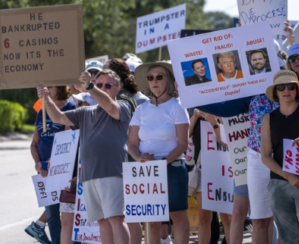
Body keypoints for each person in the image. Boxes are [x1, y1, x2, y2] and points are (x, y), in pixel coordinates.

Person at [38, 69, 131, 244]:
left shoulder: (123, 106)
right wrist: (46, 98)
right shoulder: (86, 111)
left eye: (108, 85)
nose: (103, 88)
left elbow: (110, 107)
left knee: (116, 219)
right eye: (99, 85)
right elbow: (58, 117)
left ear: (117, 89)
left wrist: (90, 87)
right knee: (102, 221)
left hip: (111, 172)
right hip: (89, 175)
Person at [128, 61, 190, 244]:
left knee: (177, 215)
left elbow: (182, 144)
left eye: (159, 77)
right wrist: (140, 158)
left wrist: (163, 162)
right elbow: (131, 143)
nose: (154, 81)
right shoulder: (141, 109)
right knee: (151, 219)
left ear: (168, 80)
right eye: (150, 78)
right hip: (146, 170)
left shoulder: (177, 107)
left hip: (172, 167)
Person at [260, 70, 299, 244]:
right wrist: (288, 176)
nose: (286, 90)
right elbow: (265, 156)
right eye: (281, 87)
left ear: (297, 90)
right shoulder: (268, 119)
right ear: (276, 92)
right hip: (279, 184)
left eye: (291, 86)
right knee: (289, 239)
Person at [30, 84, 77, 244]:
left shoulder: (71, 108)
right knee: (51, 215)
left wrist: (52, 162)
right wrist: (38, 163)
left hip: (64, 171)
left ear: (60, 87)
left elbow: (68, 141)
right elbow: (34, 143)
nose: (46, 89)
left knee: (67, 215)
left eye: (50, 86)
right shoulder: (42, 111)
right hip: (44, 172)